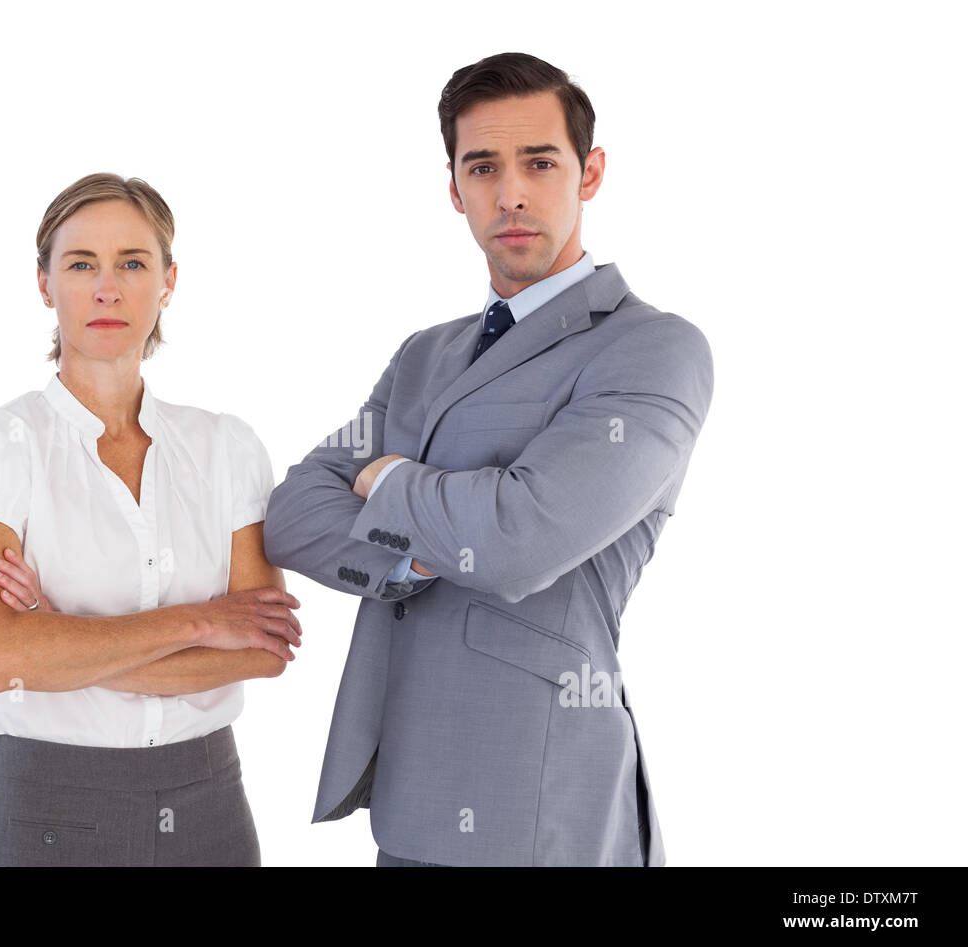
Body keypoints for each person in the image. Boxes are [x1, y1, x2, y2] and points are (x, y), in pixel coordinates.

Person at [262, 52, 715, 866]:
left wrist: (386, 480)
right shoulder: (422, 356)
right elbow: (294, 514)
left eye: (540, 163)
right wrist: (416, 562)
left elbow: (519, 539)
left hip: (541, 803)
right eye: (484, 167)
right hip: (406, 796)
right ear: (454, 188)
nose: (511, 193)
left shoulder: (652, 350)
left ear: (591, 172)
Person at [0, 172, 302, 866]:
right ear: (45, 283)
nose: (108, 288)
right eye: (81, 264)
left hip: (211, 809)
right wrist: (201, 621)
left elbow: (263, 648)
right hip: (50, 809)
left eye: (132, 263)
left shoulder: (226, 447)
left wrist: (62, 641)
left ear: (169, 280)